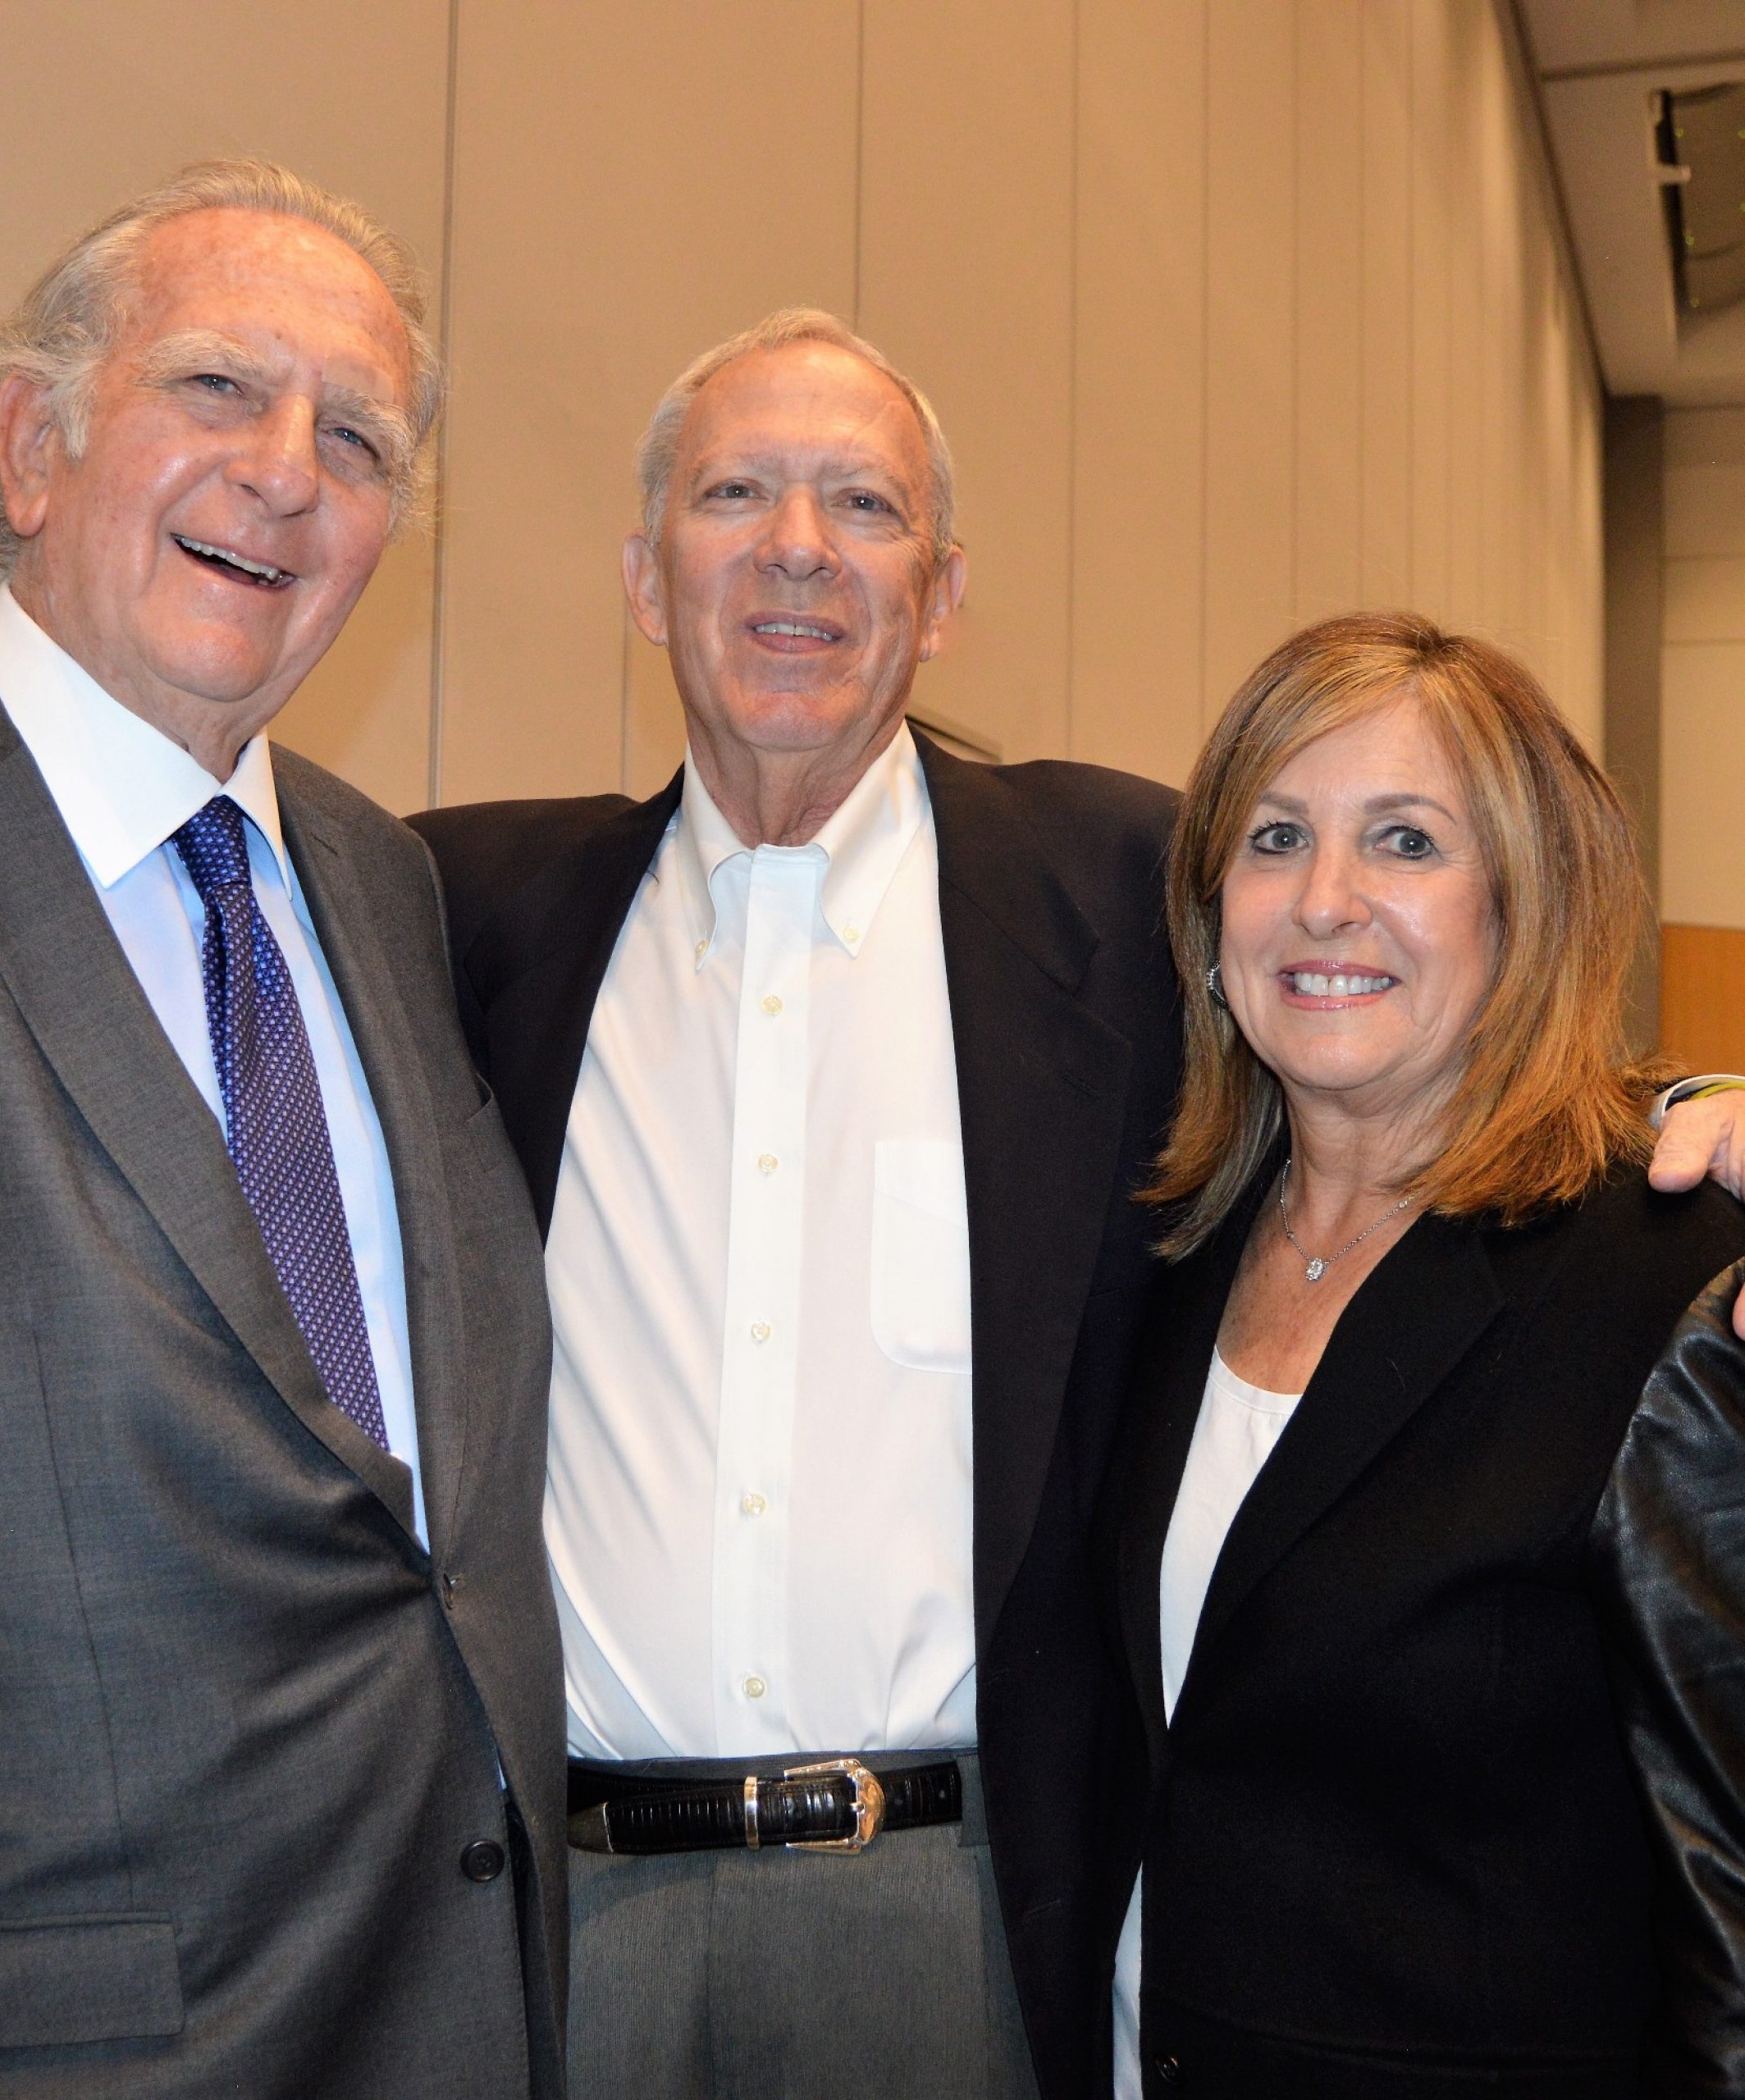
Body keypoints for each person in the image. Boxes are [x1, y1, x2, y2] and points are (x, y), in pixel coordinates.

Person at [0, 161, 564, 2099]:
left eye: (360, 436)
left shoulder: (377, 886)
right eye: (219, 389)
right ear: (30, 444)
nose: (289, 471)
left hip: (440, 2005)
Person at [412, 308, 1184, 2098]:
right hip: (565, 1923)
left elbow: (1389, 1016)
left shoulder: (1123, 894)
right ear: (640, 571)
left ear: (943, 587)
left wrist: (1683, 1120)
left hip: (956, 1915)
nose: (796, 548)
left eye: (863, 503)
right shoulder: (467, 914)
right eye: (734, 491)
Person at [1103, 613, 1745, 2097]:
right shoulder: (1163, 1262)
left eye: (1404, 842)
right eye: (1274, 839)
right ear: (1210, 923)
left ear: (1527, 903)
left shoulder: (1664, 1288)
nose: (1325, 902)